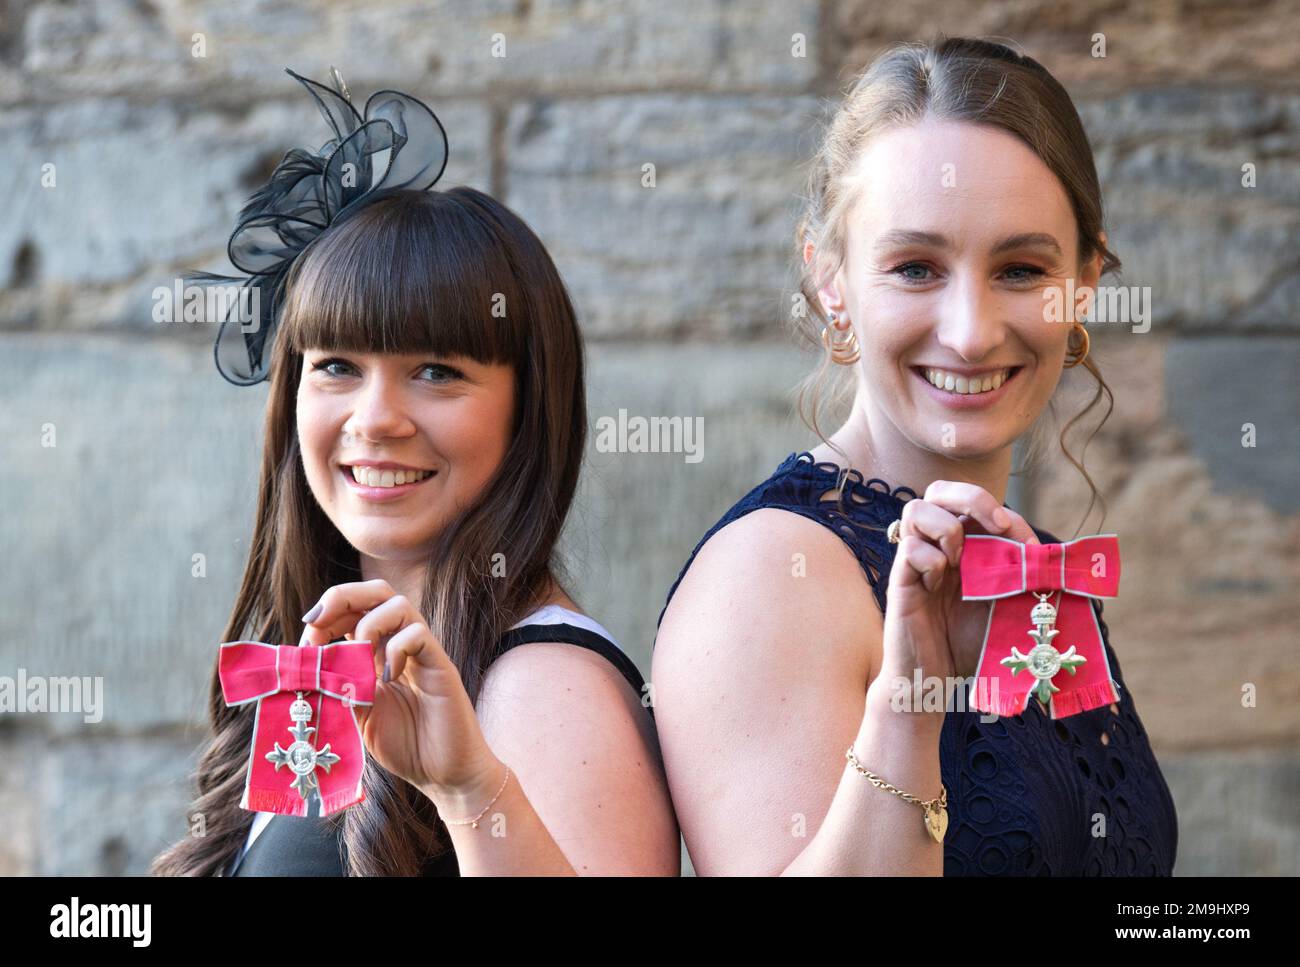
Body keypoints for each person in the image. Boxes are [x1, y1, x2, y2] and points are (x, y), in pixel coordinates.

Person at [652, 37, 1178, 876]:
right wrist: (907, 706)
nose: (970, 331)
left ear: (1084, 281)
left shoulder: (1026, 563)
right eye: (916, 266)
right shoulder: (771, 576)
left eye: (1020, 268)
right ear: (831, 279)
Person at [151, 69, 678, 876]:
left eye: (435, 371)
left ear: (528, 407)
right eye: (335, 366)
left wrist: (472, 793)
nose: (374, 418)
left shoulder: (544, 687)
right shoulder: (332, 667)